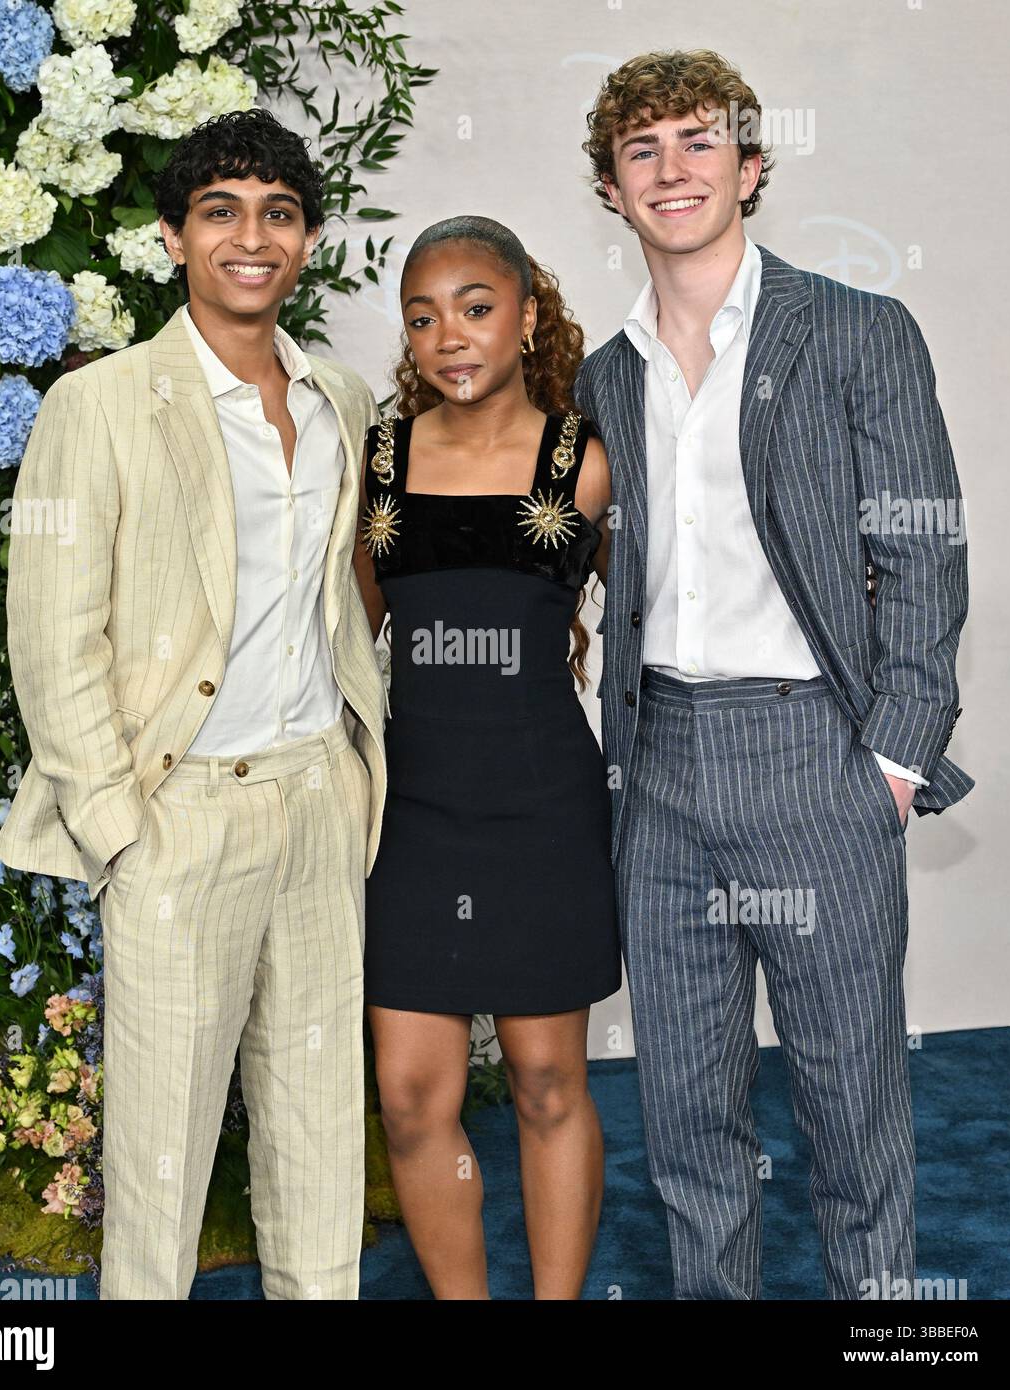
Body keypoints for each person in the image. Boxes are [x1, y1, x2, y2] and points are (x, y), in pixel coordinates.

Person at [574, 48, 973, 1300]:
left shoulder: (857, 329)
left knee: (854, 1112)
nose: (672, 169)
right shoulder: (606, 373)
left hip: (817, 761)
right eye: (643, 150)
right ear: (610, 187)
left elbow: (921, 545)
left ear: (751, 168)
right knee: (688, 1123)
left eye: (700, 143)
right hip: (661, 776)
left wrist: (893, 761)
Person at [0, 109, 386, 1299]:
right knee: (162, 1159)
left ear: (309, 240)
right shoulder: (102, 405)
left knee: (321, 1136)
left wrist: (359, 772)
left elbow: (340, 603)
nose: (250, 238)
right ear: (174, 237)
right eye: (220, 212)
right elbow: (53, 640)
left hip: (318, 803)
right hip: (177, 822)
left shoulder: (342, 401)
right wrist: (120, 829)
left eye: (276, 212)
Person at [353, 216, 621, 1299]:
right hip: (412, 816)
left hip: (541, 809)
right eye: (423, 316)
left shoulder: (581, 456)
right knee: (414, 1096)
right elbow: (342, 634)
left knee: (550, 1079)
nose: (449, 335)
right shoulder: (377, 457)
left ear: (526, 316)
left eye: (474, 307)